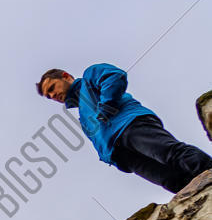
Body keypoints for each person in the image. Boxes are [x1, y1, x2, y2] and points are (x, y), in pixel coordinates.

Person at [37, 64, 212, 195]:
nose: (52, 96)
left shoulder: (90, 77)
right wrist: (109, 156)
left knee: (171, 153)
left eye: (52, 88)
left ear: (66, 76)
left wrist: (107, 106)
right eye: (48, 96)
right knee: (169, 180)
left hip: (130, 125)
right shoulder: (83, 116)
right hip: (121, 153)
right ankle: (201, 197)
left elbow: (114, 76)